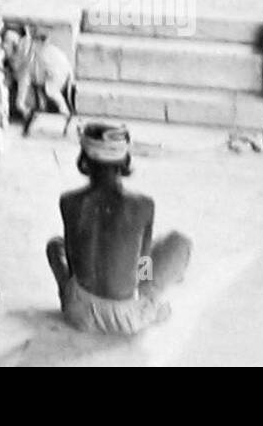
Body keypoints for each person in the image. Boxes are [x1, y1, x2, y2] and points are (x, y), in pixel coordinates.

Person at [46, 122, 191, 334]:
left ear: (84, 160)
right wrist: (144, 293)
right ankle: (149, 307)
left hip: (79, 313)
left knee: (54, 245)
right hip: (126, 318)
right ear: (124, 161)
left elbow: (72, 262)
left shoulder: (68, 201)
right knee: (179, 242)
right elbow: (143, 265)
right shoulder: (144, 205)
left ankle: (68, 299)